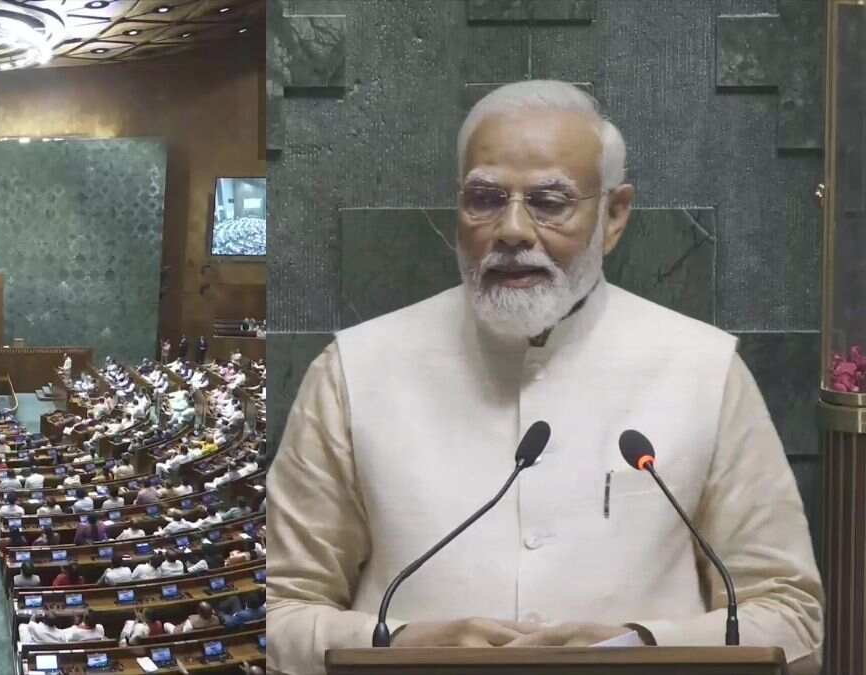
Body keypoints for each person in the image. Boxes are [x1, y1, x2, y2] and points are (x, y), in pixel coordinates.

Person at [265, 79, 823, 675]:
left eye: (549, 202)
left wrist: (640, 646)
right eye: (484, 198)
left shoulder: (703, 370)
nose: (511, 230)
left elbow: (790, 617)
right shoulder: (355, 369)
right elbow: (278, 611)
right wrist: (400, 644)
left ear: (613, 215)